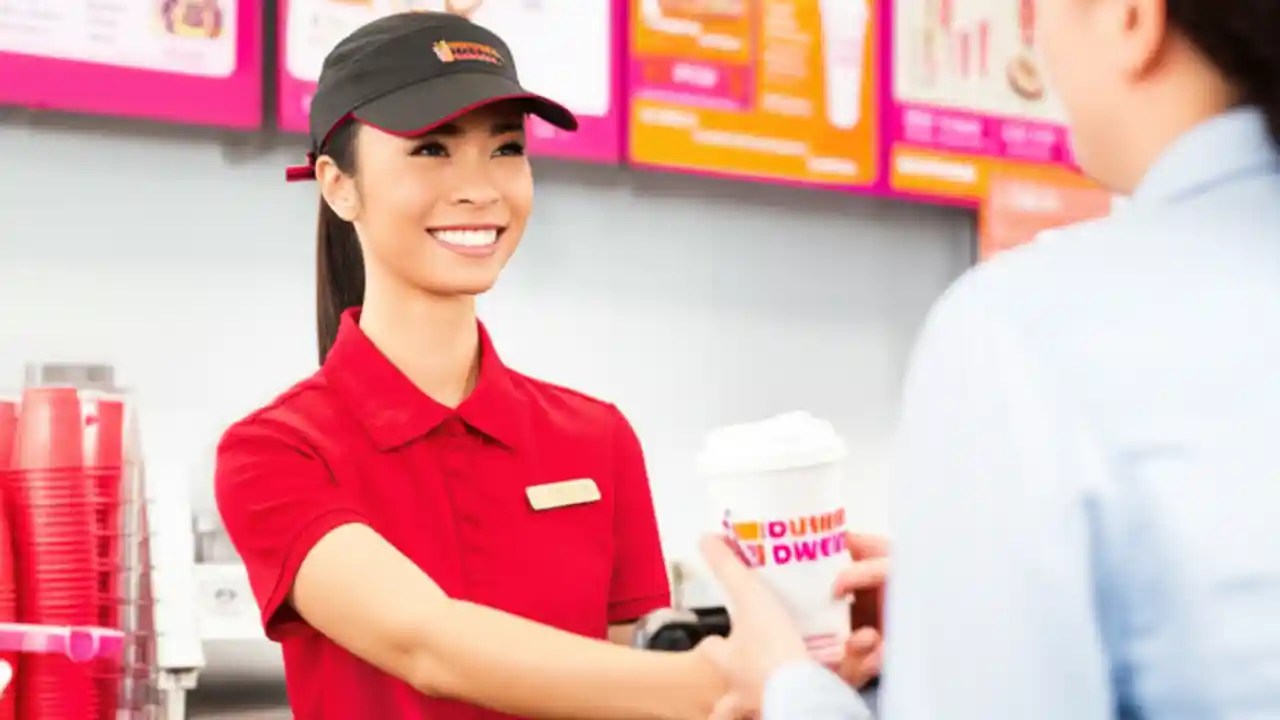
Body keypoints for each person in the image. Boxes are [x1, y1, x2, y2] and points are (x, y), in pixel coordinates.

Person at [703, 0, 1280, 717]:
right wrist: (983, 594)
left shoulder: (1027, 327)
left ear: (1133, 18)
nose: (1031, 33)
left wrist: (787, 688)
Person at [214, 11, 728, 720]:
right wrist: (729, 680)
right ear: (338, 185)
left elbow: (628, 689)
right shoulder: (277, 452)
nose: (480, 188)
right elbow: (429, 645)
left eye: (506, 148)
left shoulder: (597, 438)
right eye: (431, 150)